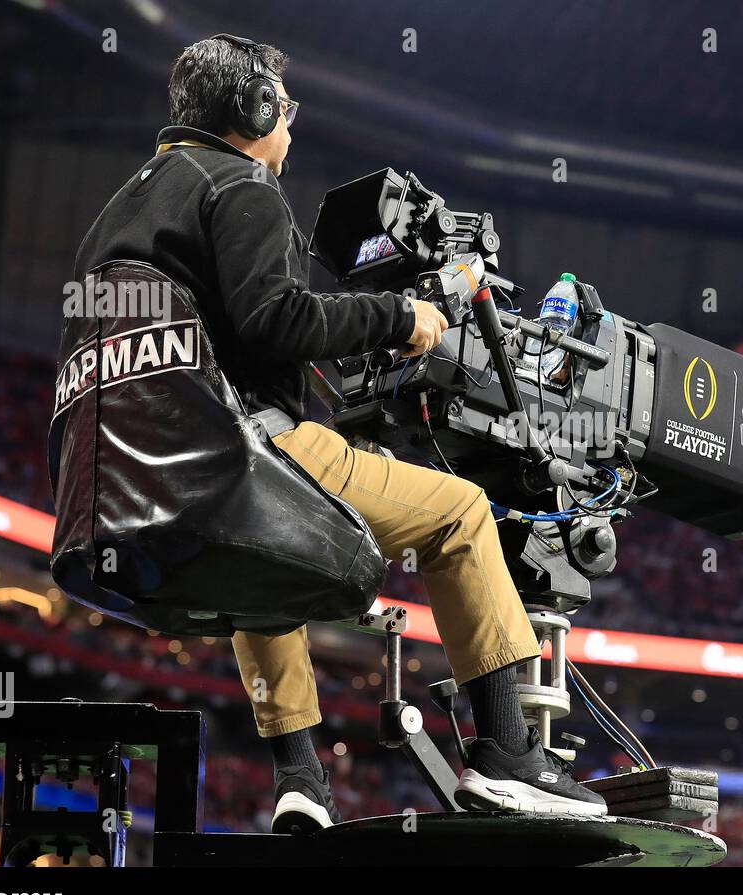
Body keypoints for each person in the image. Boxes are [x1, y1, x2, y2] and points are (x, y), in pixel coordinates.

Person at [70, 34, 605, 830]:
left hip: (126, 489)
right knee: (459, 515)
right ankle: (510, 758)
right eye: (284, 108)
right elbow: (276, 317)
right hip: (245, 447)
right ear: (254, 111)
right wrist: (405, 317)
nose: (290, 126)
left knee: (261, 554)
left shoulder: (116, 217)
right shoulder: (240, 184)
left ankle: (300, 781)